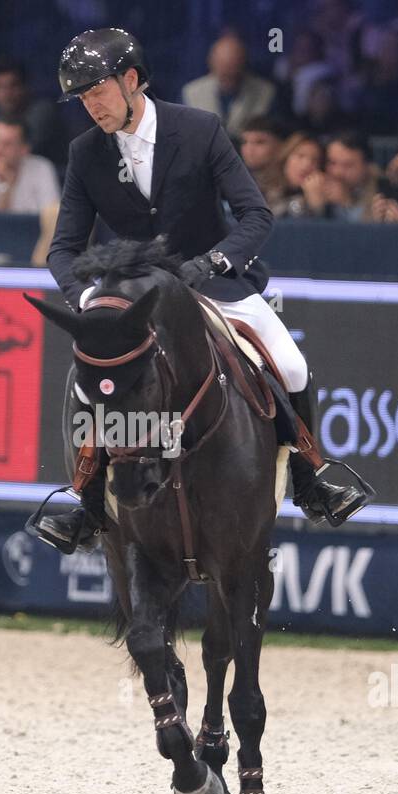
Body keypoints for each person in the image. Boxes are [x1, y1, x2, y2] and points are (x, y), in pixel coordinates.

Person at [33, 28, 370, 553]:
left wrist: (209, 261)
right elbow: (63, 249)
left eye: (96, 91)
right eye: (81, 98)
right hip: (133, 299)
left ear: (131, 80)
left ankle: (310, 474)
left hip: (212, 281)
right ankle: (85, 499)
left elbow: (256, 216)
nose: (89, 106)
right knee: (86, 380)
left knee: (293, 363)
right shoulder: (85, 152)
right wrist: (85, 301)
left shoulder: (199, 129)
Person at [181, 33, 277, 138]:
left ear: (244, 63)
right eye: (223, 66)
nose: (229, 73)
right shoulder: (191, 92)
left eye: (234, 66)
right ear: (211, 63)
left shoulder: (266, 92)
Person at [268, 133, 330, 218]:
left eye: (314, 160)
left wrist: (317, 206)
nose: (307, 165)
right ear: (286, 159)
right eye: (300, 156)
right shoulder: (264, 192)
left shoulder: (326, 198)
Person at [238, 114, 291, 200]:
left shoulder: (292, 182)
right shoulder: (237, 181)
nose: (249, 149)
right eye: (244, 142)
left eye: (259, 142)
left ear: (281, 146)